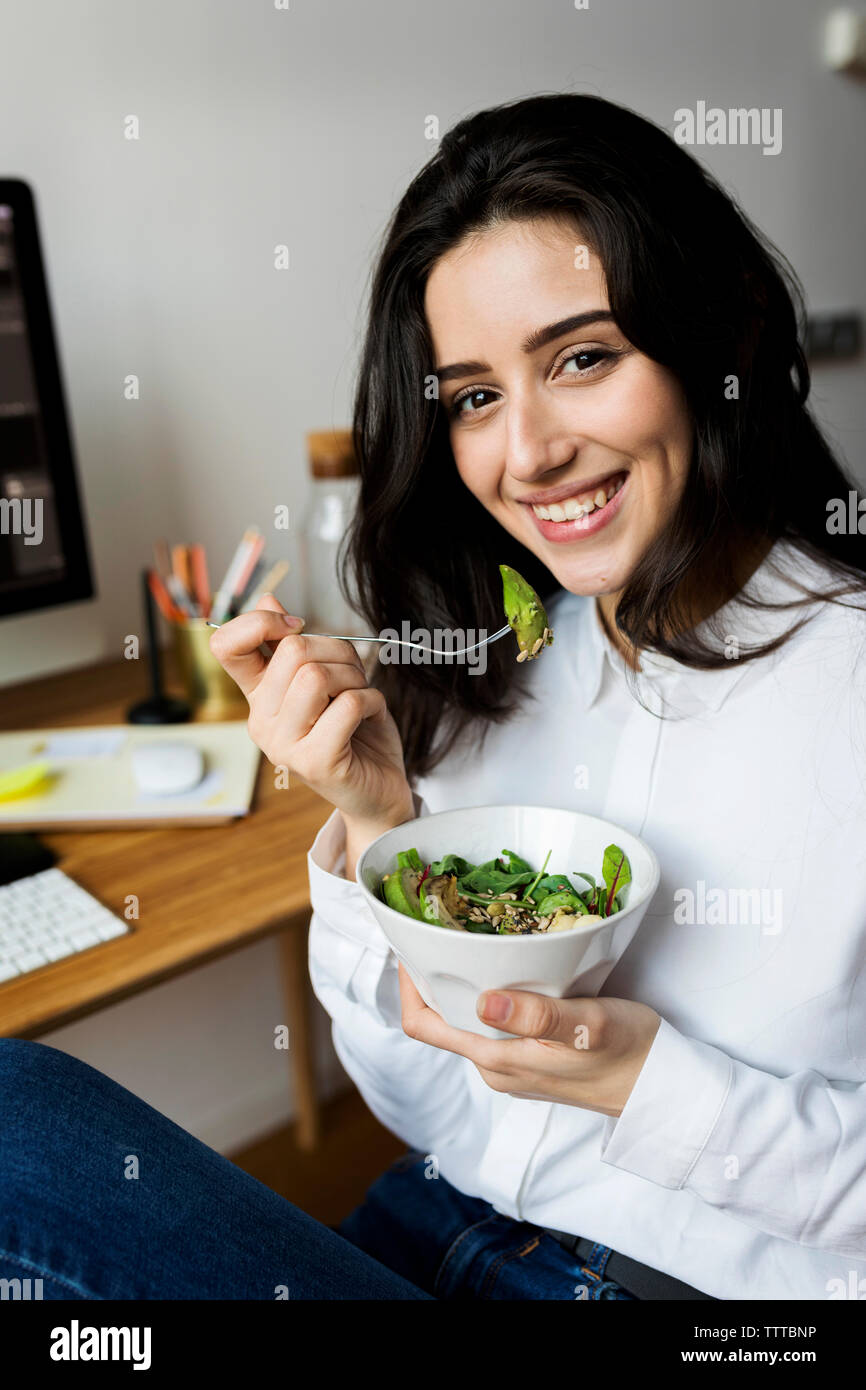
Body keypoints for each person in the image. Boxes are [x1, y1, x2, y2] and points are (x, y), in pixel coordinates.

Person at [1, 93, 863, 1302]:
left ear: (719, 332)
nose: (526, 455)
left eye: (580, 358)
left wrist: (640, 1082)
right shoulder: (492, 662)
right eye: (471, 396)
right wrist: (373, 827)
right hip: (426, 1230)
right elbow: (422, 1101)